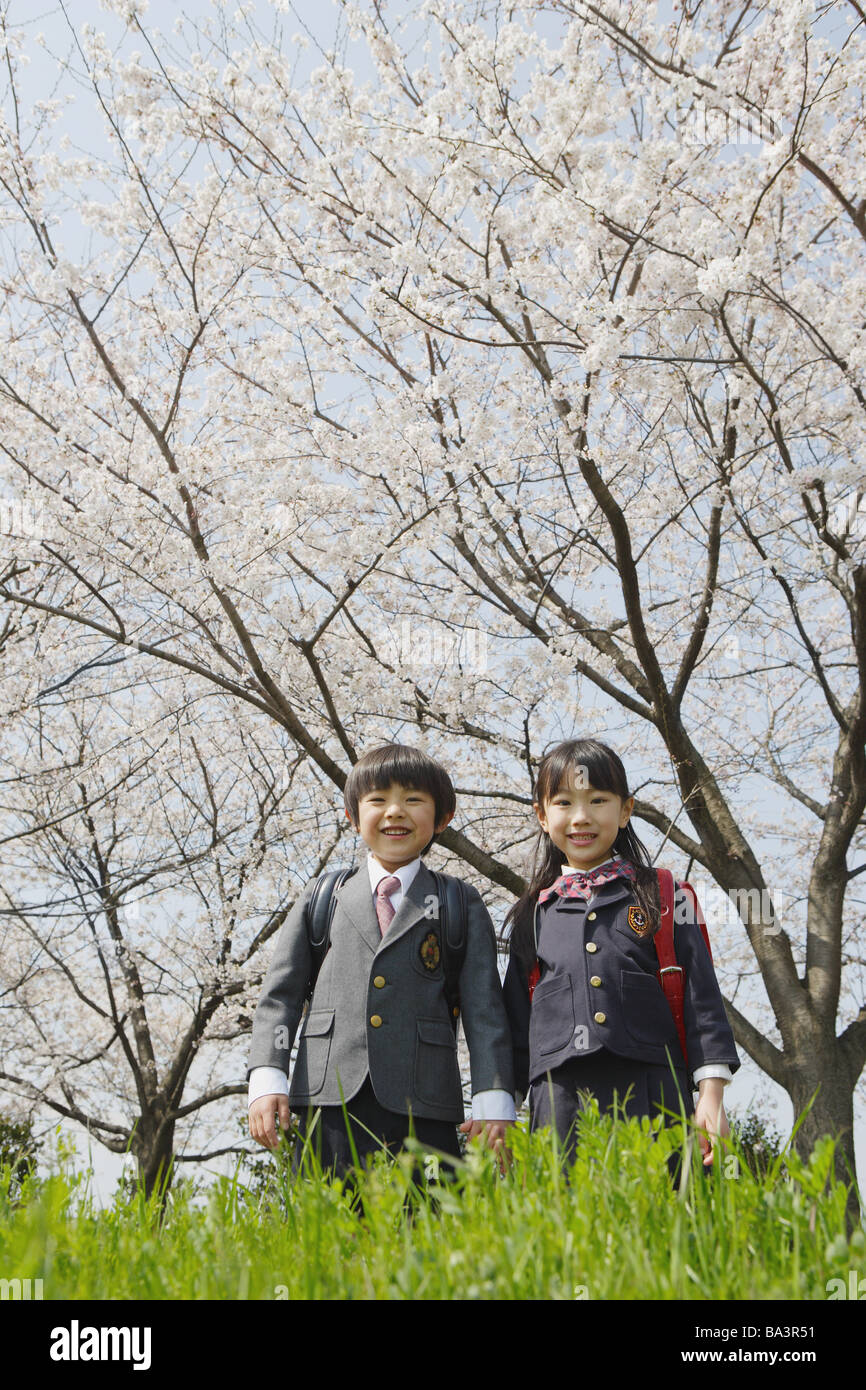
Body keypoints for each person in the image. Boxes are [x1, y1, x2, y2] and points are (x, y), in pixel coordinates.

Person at [247, 743, 515, 1180]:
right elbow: (280, 997)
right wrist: (267, 1077)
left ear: (443, 817)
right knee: (326, 1217)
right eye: (377, 799)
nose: (395, 812)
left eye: (413, 799)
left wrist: (494, 1098)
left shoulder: (458, 902)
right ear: (352, 816)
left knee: (425, 1219)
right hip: (327, 1099)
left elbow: (485, 1012)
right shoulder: (323, 896)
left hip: (425, 1104)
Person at [503, 738, 739, 1169]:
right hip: (559, 1104)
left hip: (656, 1095)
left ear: (626, 809)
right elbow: (517, 1025)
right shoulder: (531, 915)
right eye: (564, 803)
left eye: (598, 800)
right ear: (542, 816)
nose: (581, 817)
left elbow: (702, 1002)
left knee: (661, 1204)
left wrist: (711, 1096)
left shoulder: (668, 895)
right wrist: (500, 1112)